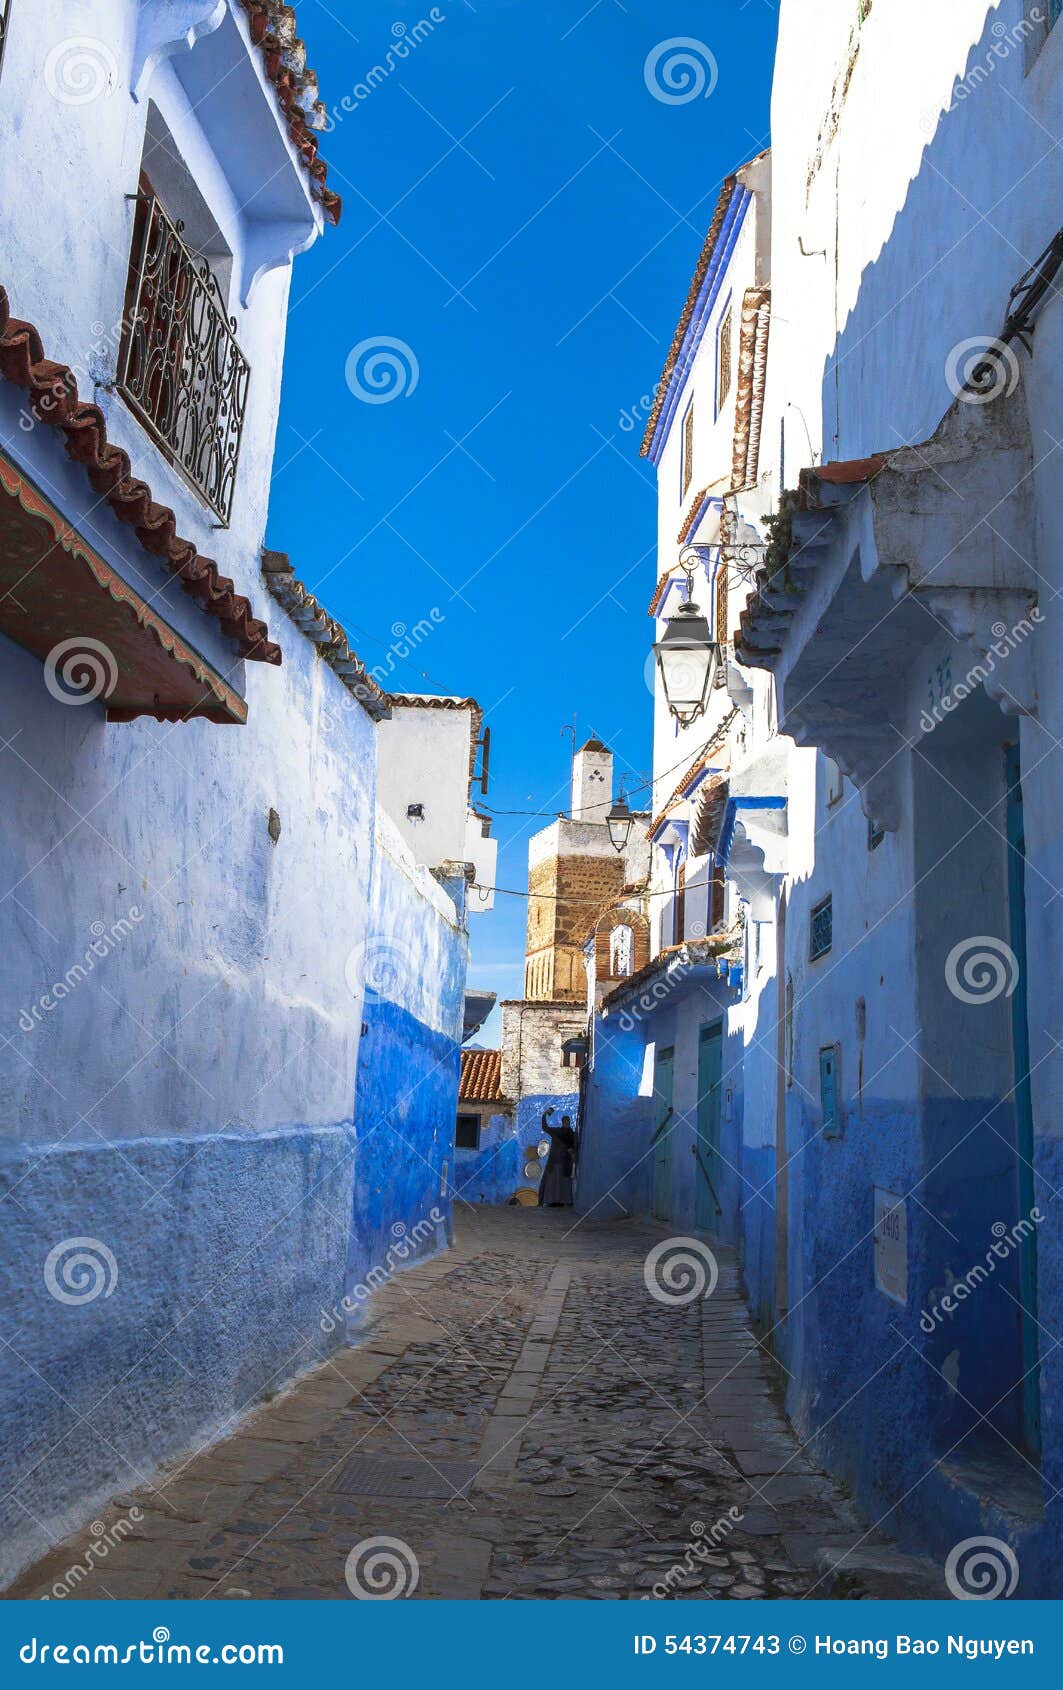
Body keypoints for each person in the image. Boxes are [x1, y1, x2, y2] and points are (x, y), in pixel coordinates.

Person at [538, 1108, 576, 1208]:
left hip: (566, 1164)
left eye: (568, 1122)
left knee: (564, 1183)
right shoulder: (557, 1131)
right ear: (563, 1122)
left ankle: (564, 1201)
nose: (566, 1123)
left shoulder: (572, 1134)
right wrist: (544, 1115)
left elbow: (575, 1146)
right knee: (553, 1182)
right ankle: (551, 1200)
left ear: (569, 1122)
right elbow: (545, 1127)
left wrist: (572, 1151)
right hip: (554, 1162)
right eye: (565, 1121)